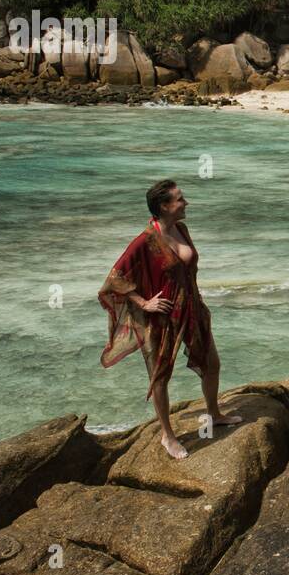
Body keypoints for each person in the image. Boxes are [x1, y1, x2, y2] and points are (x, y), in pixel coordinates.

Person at [98, 179, 240, 459]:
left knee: (212, 363)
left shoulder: (181, 229)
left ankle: (214, 413)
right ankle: (167, 436)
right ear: (164, 206)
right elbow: (114, 280)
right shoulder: (145, 241)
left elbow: (186, 272)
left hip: (192, 309)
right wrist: (144, 302)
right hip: (162, 317)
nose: (186, 203)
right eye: (180, 199)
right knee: (161, 376)